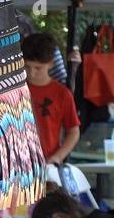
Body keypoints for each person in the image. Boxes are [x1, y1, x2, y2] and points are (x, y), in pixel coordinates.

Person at [23, 33, 81, 166]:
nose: (31, 73)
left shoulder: (62, 94)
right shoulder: (14, 91)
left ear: (51, 64)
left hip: (48, 164)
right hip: (18, 167)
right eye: (27, 67)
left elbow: (73, 131)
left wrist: (57, 157)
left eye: (38, 68)